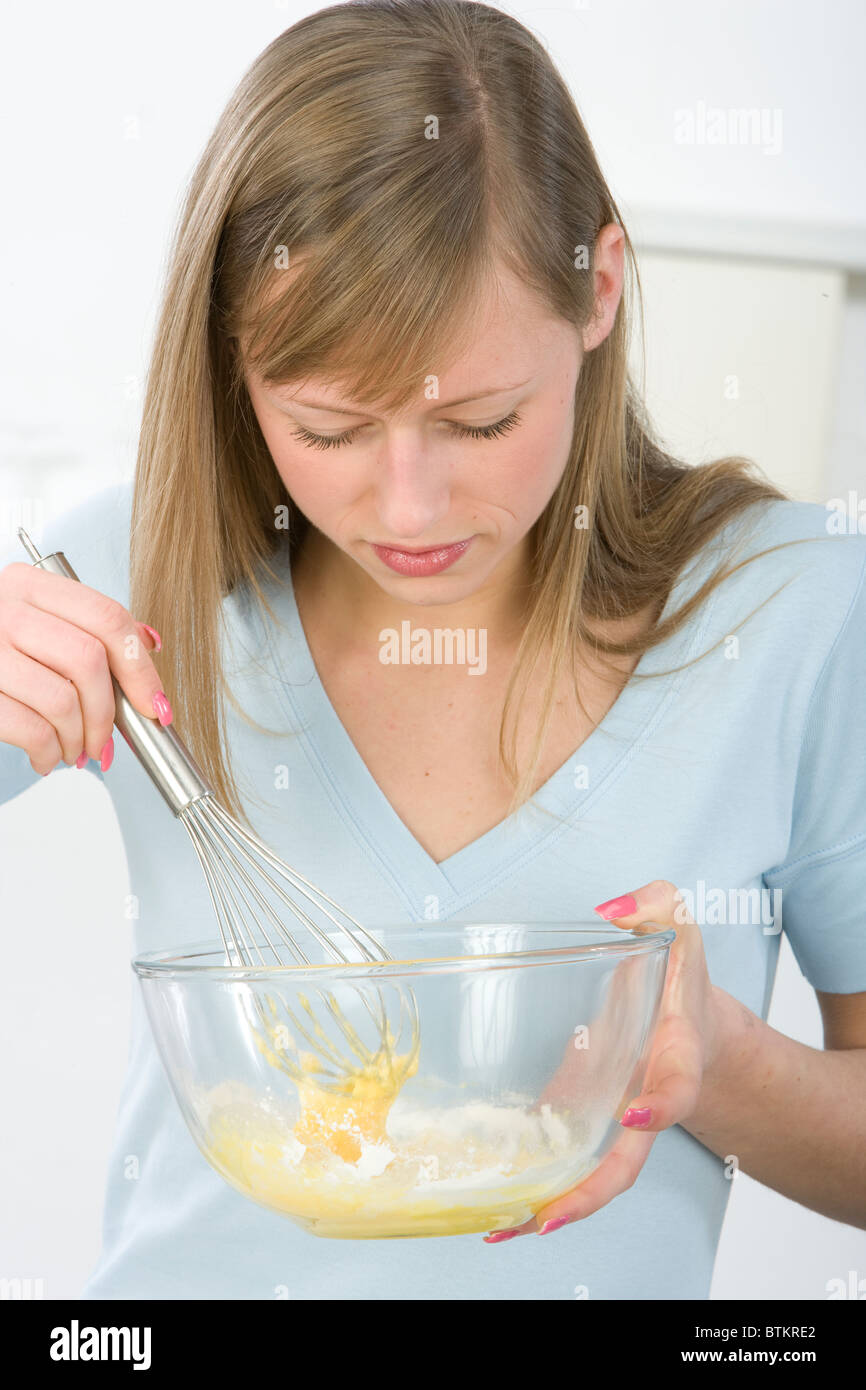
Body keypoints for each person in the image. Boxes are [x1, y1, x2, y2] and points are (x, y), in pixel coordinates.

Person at [0, 0, 864, 1300]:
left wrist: (729, 1066)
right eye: (330, 430)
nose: (407, 511)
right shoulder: (124, 570)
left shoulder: (792, 610)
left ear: (599, 290)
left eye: (479, 419)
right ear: (233, 364)